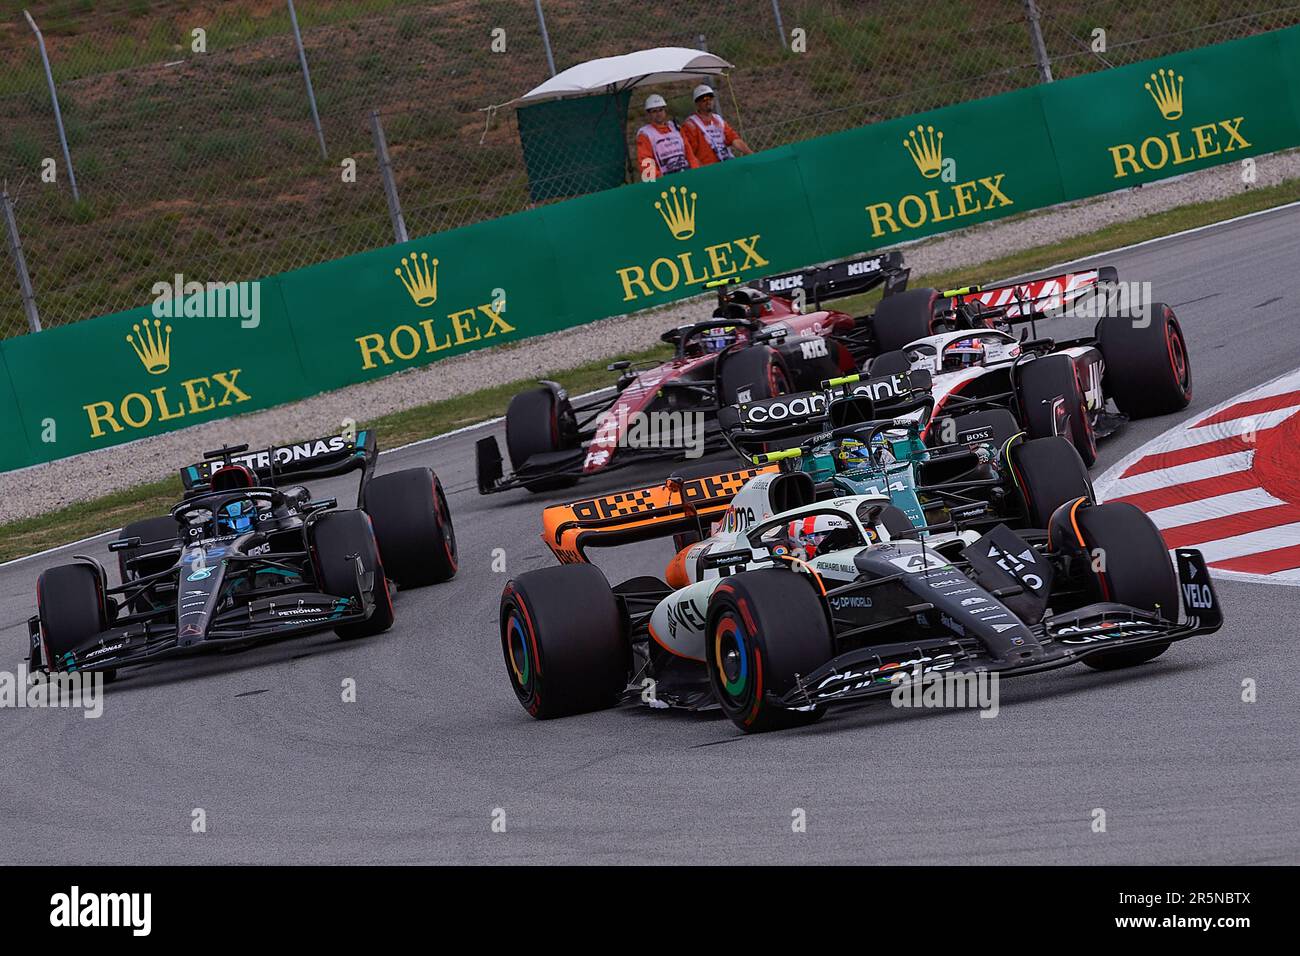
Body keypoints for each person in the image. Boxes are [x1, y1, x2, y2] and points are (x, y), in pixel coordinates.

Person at [682, 84, 752, 165]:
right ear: (697, 103)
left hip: (727, 163)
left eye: (710, 98)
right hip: (710, 169)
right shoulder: (690, 125)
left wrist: (752, 155)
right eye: (704, 99)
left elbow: (734, 139)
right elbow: (690, 154)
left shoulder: (718, 120)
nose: (708, 102)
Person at [635, 94, 698, 180]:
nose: (658, 114)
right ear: (648, 114)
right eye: (654, 111)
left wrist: (696, 172)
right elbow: (645, 163)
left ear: (665, 111)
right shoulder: (645, 135)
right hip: (665, 180)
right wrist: (660, 181)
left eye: (661, 110)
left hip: (687, 175)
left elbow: (689, 153)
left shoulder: (676, 128)